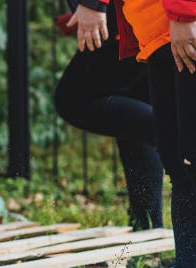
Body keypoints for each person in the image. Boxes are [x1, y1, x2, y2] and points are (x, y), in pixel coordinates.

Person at [112, 0, 196, 268]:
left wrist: (185, 14)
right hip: (160, 37)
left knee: (191, 161)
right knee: (178, 163)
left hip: (182, 27)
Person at [55, 1, 164, 231]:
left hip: (124, 15)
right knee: (132, 109)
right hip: (142, 16)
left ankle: (175, 132)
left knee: (72, 101)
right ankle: (146, 226)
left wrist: (93, 5)